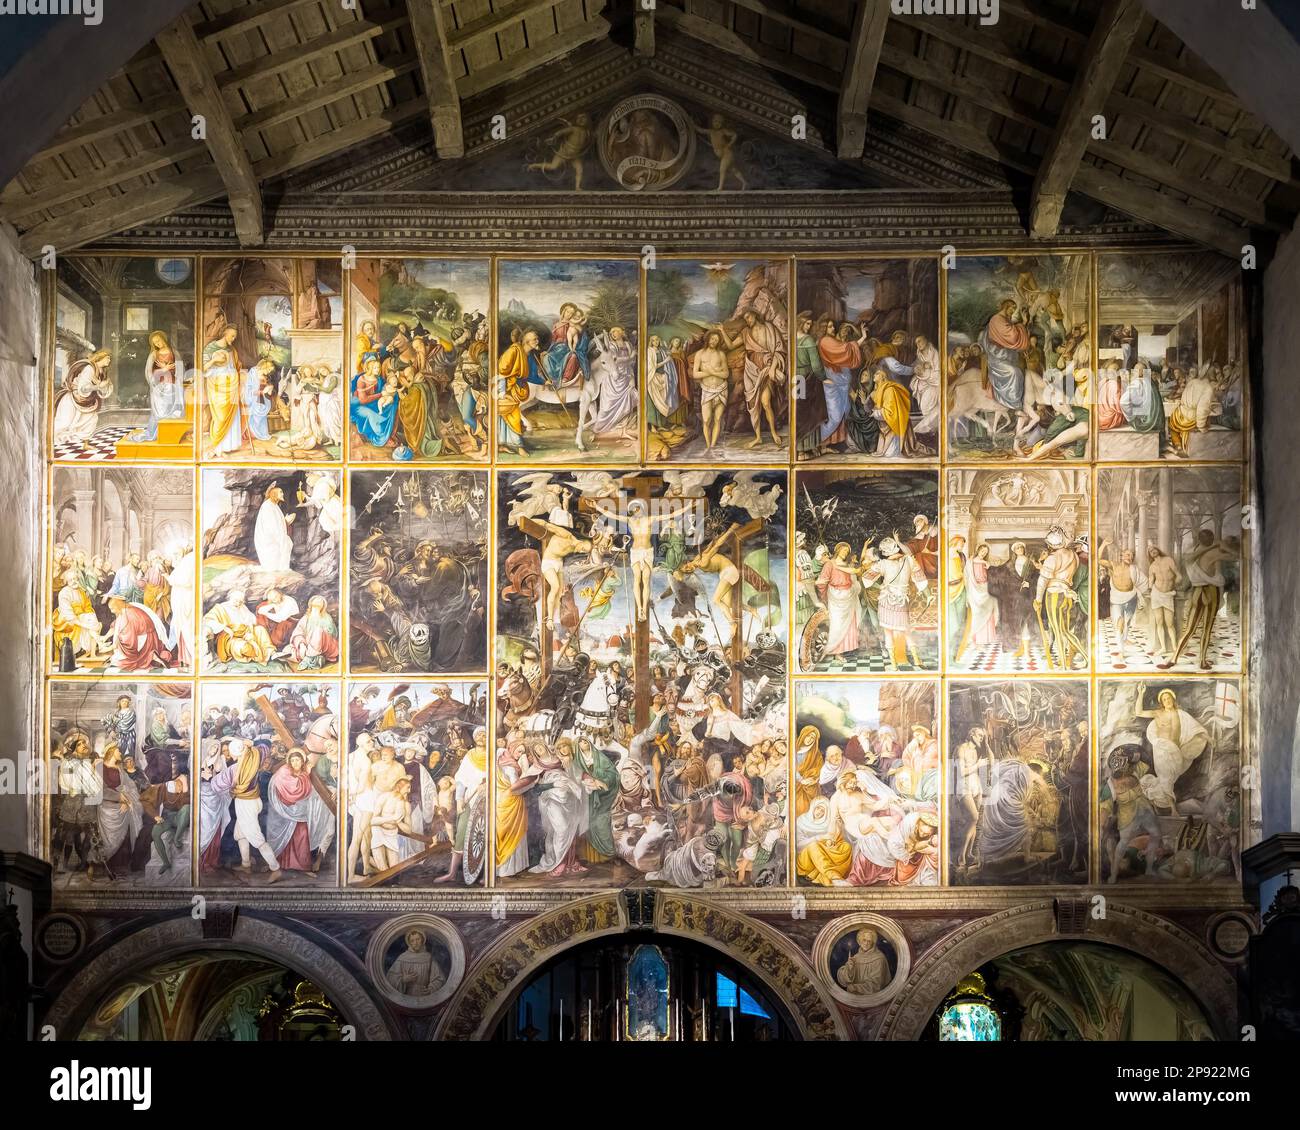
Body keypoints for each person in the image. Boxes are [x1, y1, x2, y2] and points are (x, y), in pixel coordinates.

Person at [715, 309, 783, 449]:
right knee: (753, 405)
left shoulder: (769, 328)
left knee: (765, 402)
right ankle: (758, 437)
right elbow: (731, 346)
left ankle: (773, 433)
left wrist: (772, 368)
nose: (747, 320)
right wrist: (722, 331)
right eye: (745, 318)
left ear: (755, 315)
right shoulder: (746, 332)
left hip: (766, 367)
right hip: (751, 370)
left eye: (748, 317)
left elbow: (778, 350)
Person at [1170, 531, 1236, 670]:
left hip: (1210, 590)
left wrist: (1222, 546)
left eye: (1211, 538)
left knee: (1205, 628)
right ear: (1202, 539)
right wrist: (1219, 546)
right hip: (1201, 591)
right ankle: (1176, 657)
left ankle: (1200, 660)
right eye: (1208, 538)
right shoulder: (1198, 552)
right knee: (1192, 629)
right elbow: (1189, 559)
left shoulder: (1208, 552)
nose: (1210, 539)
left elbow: (1234, 556)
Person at [53, 350, 114, 446]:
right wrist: (98, 386)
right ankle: (49, 440)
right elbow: (83, 388)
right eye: (107, 358)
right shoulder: (89, 369)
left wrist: (102, 387)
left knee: (92, 420)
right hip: (73, 399)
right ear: (100, 357)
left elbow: (106, 390)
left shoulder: (102, 373)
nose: (109, 361)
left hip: (88, 402)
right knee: (65, 422)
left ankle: (86, 444)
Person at [203, 329, 244, 455]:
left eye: (235, 337)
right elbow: (203, 368)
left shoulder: (232, 350)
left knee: (231, 416)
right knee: (220, 417)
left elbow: (236, 366)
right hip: (217, 386)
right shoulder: (210, 348)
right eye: (232, 336)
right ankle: (217, 447)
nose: (233, 339)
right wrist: (214, 361)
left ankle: (226, 447)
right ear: (225, 333)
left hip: (231, 386)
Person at [1098, 542, 1138, 666]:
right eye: (1127, 554)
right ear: (1121, 556)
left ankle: (1125, 639)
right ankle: (1121, 651)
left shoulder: (1134, 569)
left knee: (1127, 622)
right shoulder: (1114, 565)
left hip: (1131, 597)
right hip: (1116, 599)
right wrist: (1103, 544)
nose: (1129, 557)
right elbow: (1099, 560)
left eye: (1131, 555)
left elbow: (1140, 582)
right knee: (1119, 624)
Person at [140, 331, 186, 441]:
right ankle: (154, 434)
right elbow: (149, 373)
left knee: (171, 409)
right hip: (159, 387)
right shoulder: (153, 355)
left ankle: (168, 435)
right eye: (155, 342)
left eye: (158, 340)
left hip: (172, 385)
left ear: (163, 339)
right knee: (159, 411)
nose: (157, 343)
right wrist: (164, 369)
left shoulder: (174, 352)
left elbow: (179, 369)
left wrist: (178, 379)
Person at [689, 330, 730, 452]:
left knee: (718, 419)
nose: (714, 342)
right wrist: (710, 372)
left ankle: (712, 446)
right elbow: (695, 374)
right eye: (712, 339)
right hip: (706, 390)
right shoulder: (700, 354)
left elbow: (726, 374)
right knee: (706, 420)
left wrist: (712, 371)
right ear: (708, 339)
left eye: (717, 340)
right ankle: (708, 444)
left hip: (721, 389)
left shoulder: (721, 354)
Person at [835, 928, 890, 995]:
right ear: (859, 941)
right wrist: (849, 969)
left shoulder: (879, 958)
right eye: (864, 940)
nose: (866, 943)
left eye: (869, 941)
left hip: (872, 999)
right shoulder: (855, 958)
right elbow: (846, 981)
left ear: (873, 943)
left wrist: (855, 987)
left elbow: (876, 985)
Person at [254, 483, 295, 571]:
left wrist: (285, 521)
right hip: (269, 541)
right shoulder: (267, 506)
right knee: (285, 543)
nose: (282, 494)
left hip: (274, 538)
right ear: (274, 494)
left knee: (286, 542)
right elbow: (272, 527)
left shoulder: (274, 505)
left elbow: (276, 523)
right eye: (280, 492)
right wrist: (285, 523)